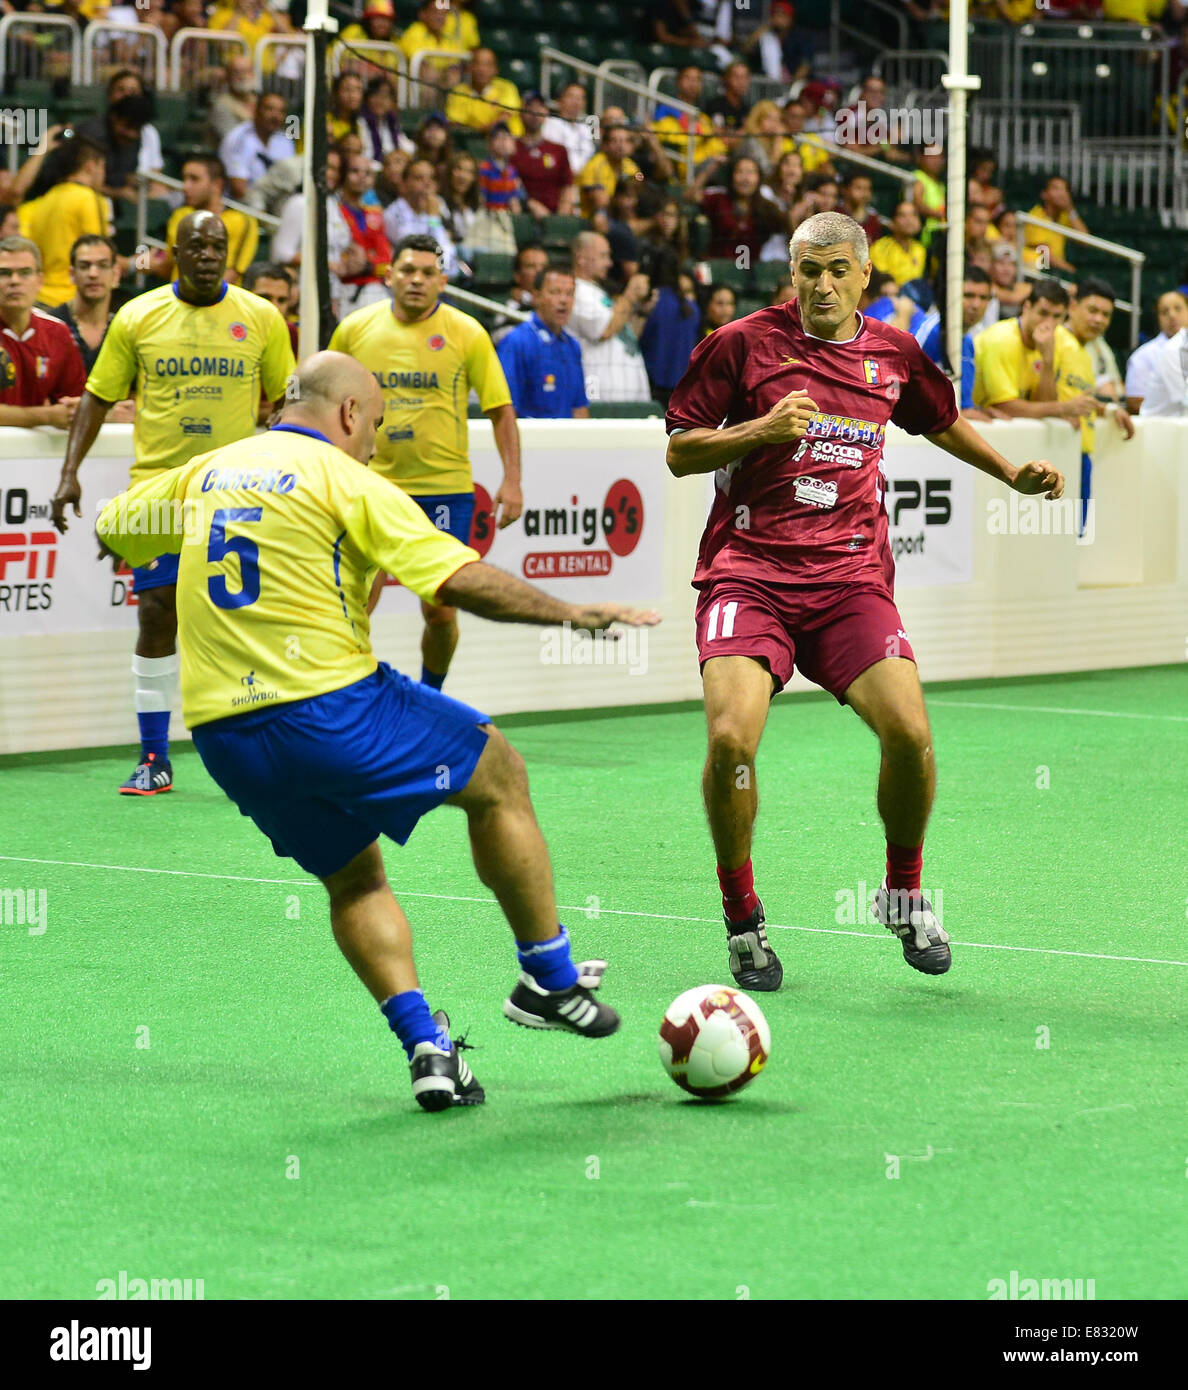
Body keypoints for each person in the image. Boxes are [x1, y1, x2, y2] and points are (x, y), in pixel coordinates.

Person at [95, 352, 659, 1110]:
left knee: (353, 878)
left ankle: (427, 1046)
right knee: (498, 775)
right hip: (327, 706)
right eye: (378, 428)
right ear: (352, 415)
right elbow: (457, 579)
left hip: (227, 739)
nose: (375, 445)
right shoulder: (345, 479)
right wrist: (574, 614)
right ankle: (549, 980)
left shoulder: (208, 470)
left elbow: (114, 528)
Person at [664, 210, 1067, 991]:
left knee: (911, 735)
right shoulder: (743, 343)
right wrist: (758, 429)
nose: (820, 284)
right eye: (806, 270)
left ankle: (904, 892)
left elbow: (940, 422)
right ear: (791, 273)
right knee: (730, 745)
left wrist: (1009, 472)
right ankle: (742, 917)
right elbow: (680, 450)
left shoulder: (893, 351)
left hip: (851, 584)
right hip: (749, 575)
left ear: (864, 277)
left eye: (835, 270)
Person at [51, 211, 295, 796]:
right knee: (157, 610)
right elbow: (97, 396)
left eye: (218, 246)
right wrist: (69, 473)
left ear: (228, 254)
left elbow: (290, 403)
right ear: (174, 253)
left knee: (239, 619)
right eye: (197, 246)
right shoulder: (137, 315)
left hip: (235, 492)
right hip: (158, 491)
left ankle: (255, 750)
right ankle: (154, 756)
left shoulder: (262, 317)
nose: (208, 254)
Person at [329, 234, 523, 689]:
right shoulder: (354, 329)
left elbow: (500, 410)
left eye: (427, 273)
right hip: (370, 486)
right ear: (389, 275)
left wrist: (512, 480)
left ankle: (430, 696)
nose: (416, 280)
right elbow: (329, 400)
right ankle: (349, 696)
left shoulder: (467, 332)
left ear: (443, 281)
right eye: (408, 271)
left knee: (440, 608)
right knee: (357, 601)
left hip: (445, 491)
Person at [973, 280, 1096, 435]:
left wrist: (1048, 360)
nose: (1048, 323)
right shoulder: (1000, 339)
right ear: (1027, 307)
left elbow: (1043, 404)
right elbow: (1004, 406)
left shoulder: (1056, 340)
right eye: (1043, 313)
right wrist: (1062, 408)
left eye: (1057, 316)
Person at [1061, 277, 1134, 529]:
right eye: (1092, 310)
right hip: (1054, 452)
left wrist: (1109, 409)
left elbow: (1081, 399)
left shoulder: (1089, 349)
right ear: (1073, 307)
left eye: (1106, 314)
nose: (1099, 320)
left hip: (1083, 451)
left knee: (1076, 535)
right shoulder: (1053, 340)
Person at [17, 134, 112, 308]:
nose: (104, 175)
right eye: (103, 167)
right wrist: (134, 264)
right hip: (70, 301)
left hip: (40, 299)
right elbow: (99, 254)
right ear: (91, 166)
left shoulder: (44, 201)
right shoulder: (88, 199)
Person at [0, 236, 86, 428]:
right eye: (4, 273)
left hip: (37, 456)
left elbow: (75, 401)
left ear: (40, 280)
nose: (14, 281)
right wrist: (45, 416)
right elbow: (51, 415)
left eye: (24, 272)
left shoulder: (57, 333)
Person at [569, 230, 653, 404]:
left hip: (629, 390)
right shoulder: (575, 290)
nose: (609, 263)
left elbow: (627, 336)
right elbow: (604, 331)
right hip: (601, 391)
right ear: (581, 258)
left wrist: (642, 311)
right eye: (603, 256)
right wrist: (629, 296)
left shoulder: (598, 291)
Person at [496, 265, 589, 419]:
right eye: (555, 292)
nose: (564, 300)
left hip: (567, 439)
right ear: (537, 297)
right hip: (531, 440)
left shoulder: (573, 346)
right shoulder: (516, 342)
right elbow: (506, 409)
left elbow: (579, 408)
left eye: (569, 294)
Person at [156, 154, 259, 285]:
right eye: (184, 179)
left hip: (216, 302)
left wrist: (195, 298)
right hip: (177, 299)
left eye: (194, 179)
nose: (186, 186)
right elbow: (169, 266)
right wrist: (134, 264)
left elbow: (232, 274)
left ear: (217, 184)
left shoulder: (243, 221)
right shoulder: (180, 215)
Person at [49, 235, 130, 400]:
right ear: (72, 274)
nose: (93, 274)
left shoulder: (128, 326)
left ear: (116, 274)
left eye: (102, 266)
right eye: (84, 266)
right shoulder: (51, 326)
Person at [914, 265, 993, 418]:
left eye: (983, 298)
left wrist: (978, 411)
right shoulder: (931, 332)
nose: (976, 305)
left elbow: (963, 405)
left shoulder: (968, 343)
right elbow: (908, 395)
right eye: (968, 295)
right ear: (952, 295)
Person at [331, 151, 393, 312]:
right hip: (341, 289)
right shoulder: (332, 211)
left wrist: (367, 266)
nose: (361, 177)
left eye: (367, 173)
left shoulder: (375, 214)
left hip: (375, 290)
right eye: (354, 171)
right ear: (342, 175)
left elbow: (386, 261)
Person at [695, 156, 783, 263]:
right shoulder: (719, 199)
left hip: (751, 273)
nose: (745, 178)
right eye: (740, 172)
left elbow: (787, 225)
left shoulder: (766, 206)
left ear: (759, 178)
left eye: (750, 172)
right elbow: (690, 196)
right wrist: (711, 169)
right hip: (720, 268)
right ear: (732, 176)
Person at [639, 254, 701, 405]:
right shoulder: (692, 308)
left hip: (652, 386)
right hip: (683, 390)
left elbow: (639, 340)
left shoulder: (651, 306)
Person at [381, 159, 458, 279]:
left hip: (435, 279)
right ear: (404, 184)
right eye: (419, 178)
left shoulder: (438, 206)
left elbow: (449, 263)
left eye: (431, 178)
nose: (427, 184)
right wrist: (434, 220)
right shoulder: (393, 214)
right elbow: (415, 254)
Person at [653, 66, 727, 180]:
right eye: (688, 78)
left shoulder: (703, 118)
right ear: (678, 82)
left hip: (709, 161)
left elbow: (717, 144)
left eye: (697, 79)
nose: (693, 83)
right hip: (687, 167)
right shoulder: (665, 111)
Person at [220, 92, 296, 202]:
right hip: (244, 207)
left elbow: (292, 182)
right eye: (269, 109)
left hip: (277, 204)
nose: (275, 116)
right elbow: (239, 190)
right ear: (256, 111)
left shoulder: (285, 142)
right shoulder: (238, 139)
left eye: (281, 111)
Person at [1124, 289, 1187, 413]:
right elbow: (1134, 403)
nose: (1172, 315)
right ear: (1158, 318)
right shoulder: (1142, 356)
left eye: (1178, 309)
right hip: (1158, 426)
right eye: (1164, 312)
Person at [513, 92, 575, 217]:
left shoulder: (559, 150)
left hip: (555, 217)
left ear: (546, 113)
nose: (535, 112)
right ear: (520, 113)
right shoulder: (511, 148)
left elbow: (567, 186)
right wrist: (529, 204)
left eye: (540, 106)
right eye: (529, 106)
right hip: (522, 215)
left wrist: (560, 218)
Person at [446, 48, 523, 136]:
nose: (482, 69)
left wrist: (479, 131)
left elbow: (504, 118)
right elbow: (455, 124)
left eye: (487, 65)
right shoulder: (458, 91)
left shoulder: (507, 87)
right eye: (477, 63)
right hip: (471, 142)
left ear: (495, 69)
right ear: (469, 68)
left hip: (507, 140)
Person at [1024, 174, 1087, 274]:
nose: (1061, 194)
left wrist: (1070, 210)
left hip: (1057, 271)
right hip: (1041, 270)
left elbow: (1084, 240)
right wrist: (1072, 271)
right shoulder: (1035, 217)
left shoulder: (1064, 216)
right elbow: (1045, 254)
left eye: (1064, 190)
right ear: (1044, 193)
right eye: (1056, 189)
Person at [576, 123, 640, 219]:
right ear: (605, 145)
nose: (620, 146)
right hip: (592, 219)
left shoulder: (631, 166)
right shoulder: (594, 165)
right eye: (615, 141)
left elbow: (637, 193)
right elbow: (600, 201)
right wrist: (623, 200)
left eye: (625, 141)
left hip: (623, 217)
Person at [492, 241, 548, 343]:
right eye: (531, 266)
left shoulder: (564, 301)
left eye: (543, 266)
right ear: (517, 276)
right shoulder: (510, 305)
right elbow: (497, 336)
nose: (539, 271)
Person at [746, 1, 812, 84]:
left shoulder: (801, 37)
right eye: (776, 14)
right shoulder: (767, 37)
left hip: (793, 84)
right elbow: (747, 48)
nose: (779, 18)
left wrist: (791, 84)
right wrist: (768, 25)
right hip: (768, 84)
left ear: (790, 18)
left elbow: (805, 65)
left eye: (783, 14)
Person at [243, 260, 299, 353]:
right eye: (265, 298)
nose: (274, 307)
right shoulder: (227, 327)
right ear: (244, 295)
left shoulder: (290, 332)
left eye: (281, 300)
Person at [541, 84, 596, 177]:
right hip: (559, 177)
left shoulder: (585, 128)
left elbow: (590, 154)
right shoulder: (550, 123)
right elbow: (551, 156)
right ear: (559, 101)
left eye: (580, 98)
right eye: (571, 97)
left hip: (584, 179)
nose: (576, 102)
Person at [869, 201, 926, 286]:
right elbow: (882, 282)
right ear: (892, 222)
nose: (909, 220)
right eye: (903, 215)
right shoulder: (880, 248)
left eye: (913, 215)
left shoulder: (920, 250)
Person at [206, 54, 257, 146]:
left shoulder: (261, 103)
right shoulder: (220, 106)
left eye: (247, 71)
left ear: (253, 74)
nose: (243, 76)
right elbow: (234, 141)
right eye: (237, 72)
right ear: (227, 77)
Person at [359, 76, 410, 162]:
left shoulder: (391, 123)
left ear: (392, 102)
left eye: (385, 96)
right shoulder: (360, 122)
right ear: (367, 98)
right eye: (375, 95)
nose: (380, 101)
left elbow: (406, 147)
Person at [478, 122, 525, 213]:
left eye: (506, 137)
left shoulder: (512, 171)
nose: (502, 142)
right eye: (497, 138)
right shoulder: (484, 169)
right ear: (490, 143)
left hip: (507, 218)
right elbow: (481, 200)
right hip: (490, 218)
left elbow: (516, 199)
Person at [706, 60, 753, 143]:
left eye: (745, 77)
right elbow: (718, 135)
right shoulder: (714, 105)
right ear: (726, 79)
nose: (742, 82)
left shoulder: (748, 108)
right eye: (737, 77)